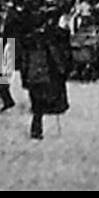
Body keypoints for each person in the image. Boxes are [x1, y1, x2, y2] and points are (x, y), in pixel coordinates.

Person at [20, 10, 71, 140]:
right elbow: (56, 56)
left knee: (36, 102)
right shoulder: (48, 40)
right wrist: (62, 70)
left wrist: (24, 77)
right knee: (42, 102)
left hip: (32, 75)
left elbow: (24, 60)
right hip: (45, 74)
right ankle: (37, 127)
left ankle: (36, 128)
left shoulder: (28, 39)